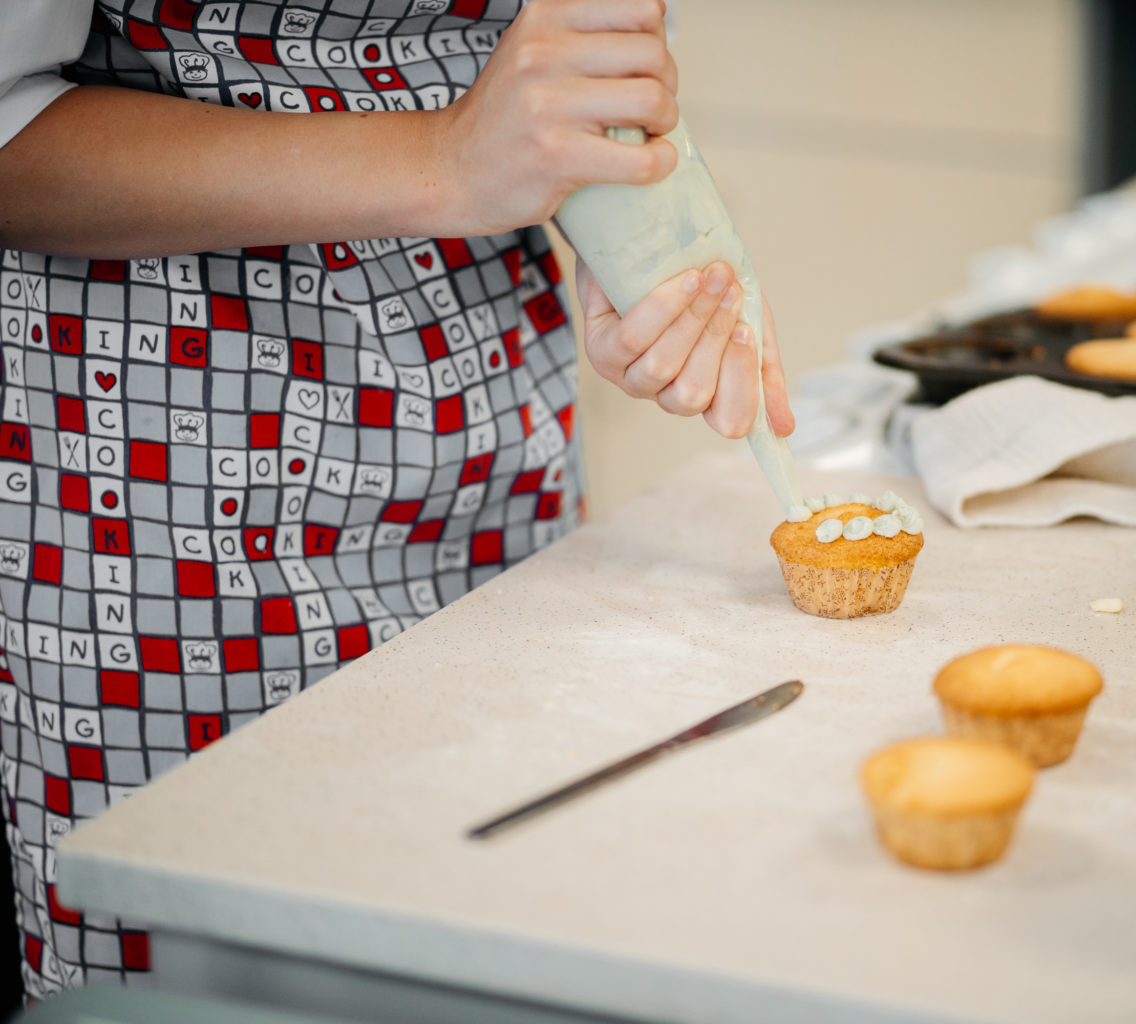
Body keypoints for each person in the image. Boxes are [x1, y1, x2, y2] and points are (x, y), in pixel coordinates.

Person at [0, 0, 794, 999]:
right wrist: (449, 160)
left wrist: (627, 217)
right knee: (235, 962)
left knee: (503, 933)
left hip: (495, 417)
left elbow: (585, 48)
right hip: (181, 484)